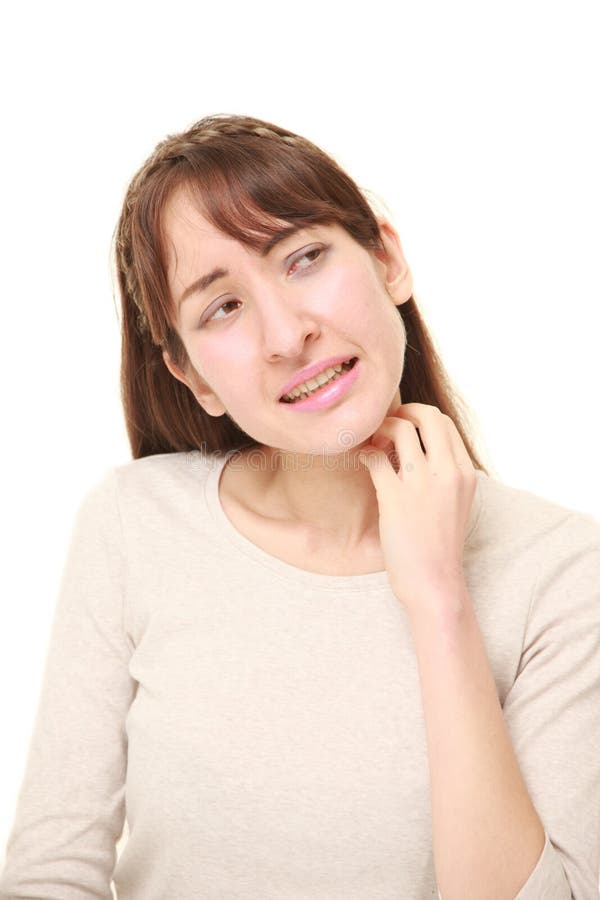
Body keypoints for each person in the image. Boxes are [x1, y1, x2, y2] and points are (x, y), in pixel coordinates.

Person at [0, 113, 598, 900]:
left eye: (304, 258)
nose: (287, 335)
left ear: (387, 257)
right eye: (223, 307)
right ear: (193, 377)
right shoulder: (132, 525)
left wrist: (440, 599)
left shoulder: (561, 571)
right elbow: (51, 874)